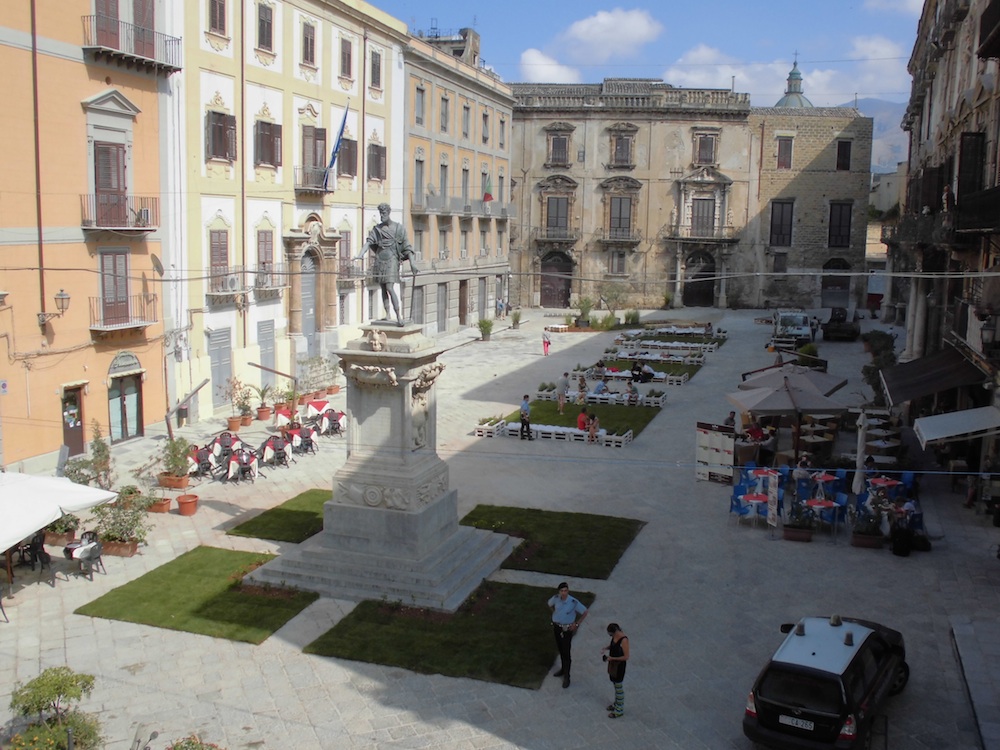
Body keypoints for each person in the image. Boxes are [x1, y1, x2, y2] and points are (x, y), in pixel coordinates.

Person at [357, 203, 418, 326]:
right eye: (380, 213)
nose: (381, 216)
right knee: (383, 288)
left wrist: (412, 263)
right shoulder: (377, 229)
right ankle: (387, 314)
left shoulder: (398, 228)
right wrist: (360, 254)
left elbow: (407, 246)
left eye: (383, 213)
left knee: (390, 287)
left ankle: (399, 316)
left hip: (392, 260)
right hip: (380, 260)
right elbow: (368, 243)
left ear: (388, 213)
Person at [547, 582, 588, 688]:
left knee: (566, 652)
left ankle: (567, 676)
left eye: (565, 590)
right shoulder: (556, 598)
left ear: (568, 591)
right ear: (559, 591)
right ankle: (563, 669)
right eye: (561, 591)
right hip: (557, 627)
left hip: (567, 629)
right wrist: (554, 613)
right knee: (560, 649)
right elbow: (549, 604)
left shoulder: (573, 602)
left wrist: (577, 624)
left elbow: (585, 612)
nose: (563, 593)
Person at [601, 623, 630, 718]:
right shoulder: (615, 637)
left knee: (619, 687)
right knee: (615, 684)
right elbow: (613, 645)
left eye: (610, 634)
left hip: (619, 666)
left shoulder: (624, 640)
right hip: (613, 664)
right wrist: (606, 648)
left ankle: (619, 709)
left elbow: (626, 657)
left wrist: (612, 658)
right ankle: (616, 704)